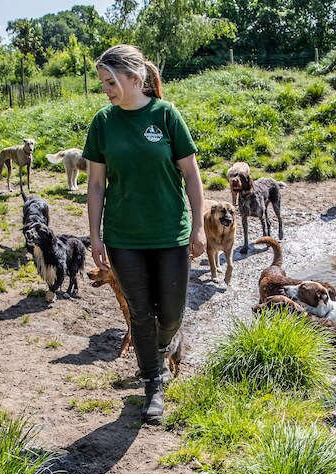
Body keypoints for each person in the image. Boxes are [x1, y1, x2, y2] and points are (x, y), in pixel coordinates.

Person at [83, 44, 205, 422]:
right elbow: (96, 184)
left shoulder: (166, 115)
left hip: (171, 233)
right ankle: (153, 383)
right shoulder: (103, 122)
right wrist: (96, 235)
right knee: (139, 312)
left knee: (170, 313)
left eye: (110, 81)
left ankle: (166, 343)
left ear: (135, 79)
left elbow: (191, 174)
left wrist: (199, 226)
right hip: (124, 237)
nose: (105, 89)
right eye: (103, 83)